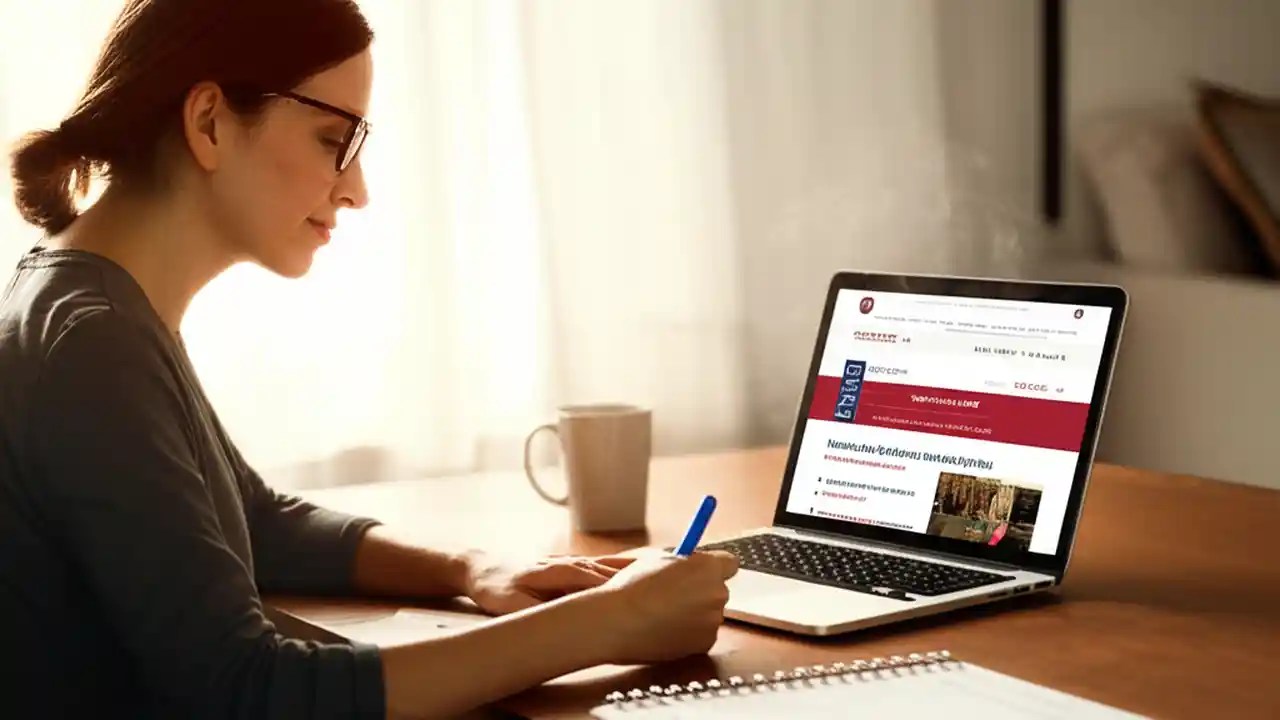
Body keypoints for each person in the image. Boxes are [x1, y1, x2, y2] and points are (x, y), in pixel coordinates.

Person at [0, 2, 738, 718]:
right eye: (333, 141)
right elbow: (247, 689)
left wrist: (475, 568)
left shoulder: (92, 302)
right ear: (209, 123)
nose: (356, 190)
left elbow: (253, 523)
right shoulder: (92, 341)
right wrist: (607, 625)